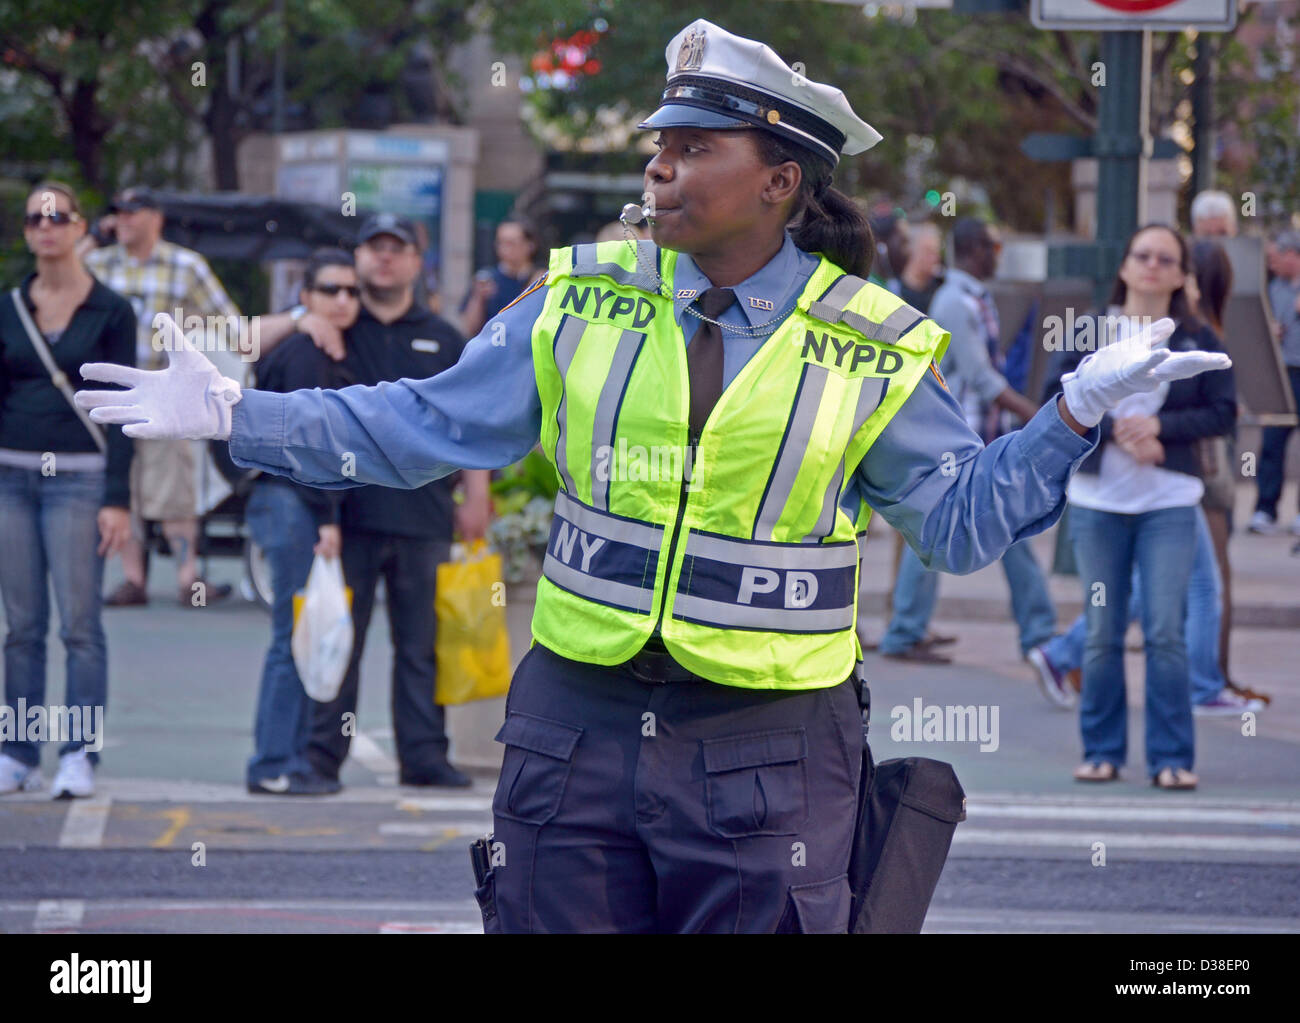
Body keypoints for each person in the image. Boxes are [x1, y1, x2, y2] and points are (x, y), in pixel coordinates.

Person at [75, 20, 1229, 932]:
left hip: (767, 746)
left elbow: (962, 525)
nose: (657, 166)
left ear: (780, 181)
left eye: (691, 149)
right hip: (572, 728)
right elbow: (422, 424)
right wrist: (240, 413)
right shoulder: (584, 293)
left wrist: (1074, 410)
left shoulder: (872, 341)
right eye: (657, 145)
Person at [1031, 239, 1266, 716]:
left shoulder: (1197, 336)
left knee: (1174, 613)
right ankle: (1093, 719)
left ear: (1183, 275)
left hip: (1171, 494)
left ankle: (1185, 717)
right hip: (1101, 497)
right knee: (1110, 618)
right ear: (1124, 266)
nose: (1153, 267)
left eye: (1166, 260)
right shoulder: (1090, 330)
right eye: (1142, 256)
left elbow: (1223, 411)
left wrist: (1162, 430)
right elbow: (1055, 395)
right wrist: (1119, 432)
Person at [297, 214, 490, 789]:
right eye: (373, 248)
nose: (384, 259)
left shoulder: (447, 336)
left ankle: (425, 757)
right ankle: (319, 757)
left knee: (421, 647)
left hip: (424, 515)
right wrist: (304, 318)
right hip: (346, 515)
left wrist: (476, 494)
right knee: (337, 639)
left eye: (396, 249)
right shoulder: (334, 327)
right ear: (357, 259)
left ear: (416, 262)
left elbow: (472, 420)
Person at [0, 182, 134, 798]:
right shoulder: (9, 307)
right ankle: (17, 752)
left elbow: (122, 408)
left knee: (81, 624)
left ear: (81, 227)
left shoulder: (111, 309)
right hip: (11, 473)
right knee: (21, 624)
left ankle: (79, 753)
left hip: (79, 479)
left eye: (57, 217)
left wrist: (117, 498)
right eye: (34, 219)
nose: (45, 227)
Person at [877, 216, 1054, 665]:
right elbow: (981, 377)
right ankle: (1038, 633)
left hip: (978, 436)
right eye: (995, 247)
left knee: (990, 529)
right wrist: (1041, 417)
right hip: (962, 439)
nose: (1000, 255)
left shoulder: (972, 297)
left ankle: (909, 630)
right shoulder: (955, 300)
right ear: (975, 249)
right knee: (984, 528)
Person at [83, 187, 239, 607]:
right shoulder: (95, 263)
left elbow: (229, 324)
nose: (125, 221)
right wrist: (91, 237)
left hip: (166, 391)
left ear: (156, 218)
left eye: (134, 213)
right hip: (112, 390)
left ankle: (188, 578)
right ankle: (133, 579)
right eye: (119, 213)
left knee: (174, 490)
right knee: (123, 486)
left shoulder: (186, 266)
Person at [245, 249, 359, 796]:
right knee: (291, 639)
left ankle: (278, 761)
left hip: (281, 500)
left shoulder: (308, 347)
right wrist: (327, 517)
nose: (343, 300)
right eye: (331, 290)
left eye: (351, 291)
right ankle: (272, 764)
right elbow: (306, 448)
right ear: (306, 297)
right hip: (291, 501)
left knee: (294, 636)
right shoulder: (307, 351)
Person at [1250, 230, 1300, 536]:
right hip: (1282, 372)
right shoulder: (1272, 288)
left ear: (1292, 255)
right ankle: (1265, 509)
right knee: (1271, 442)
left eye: (1274, 257)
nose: (1270, 263)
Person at [458, 219, 544, 339]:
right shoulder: (487, 278)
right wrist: (479, 298)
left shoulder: (540, 279)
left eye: (511, 243)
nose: (505, 249)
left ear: (530, 245)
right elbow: (469, 328)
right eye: (501, 242)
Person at [886, 221, 942, 314]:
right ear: (910, 250)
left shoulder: (941, 288)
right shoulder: (893, 290)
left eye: (936, 251)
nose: (935, 257)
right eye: (928, 251)